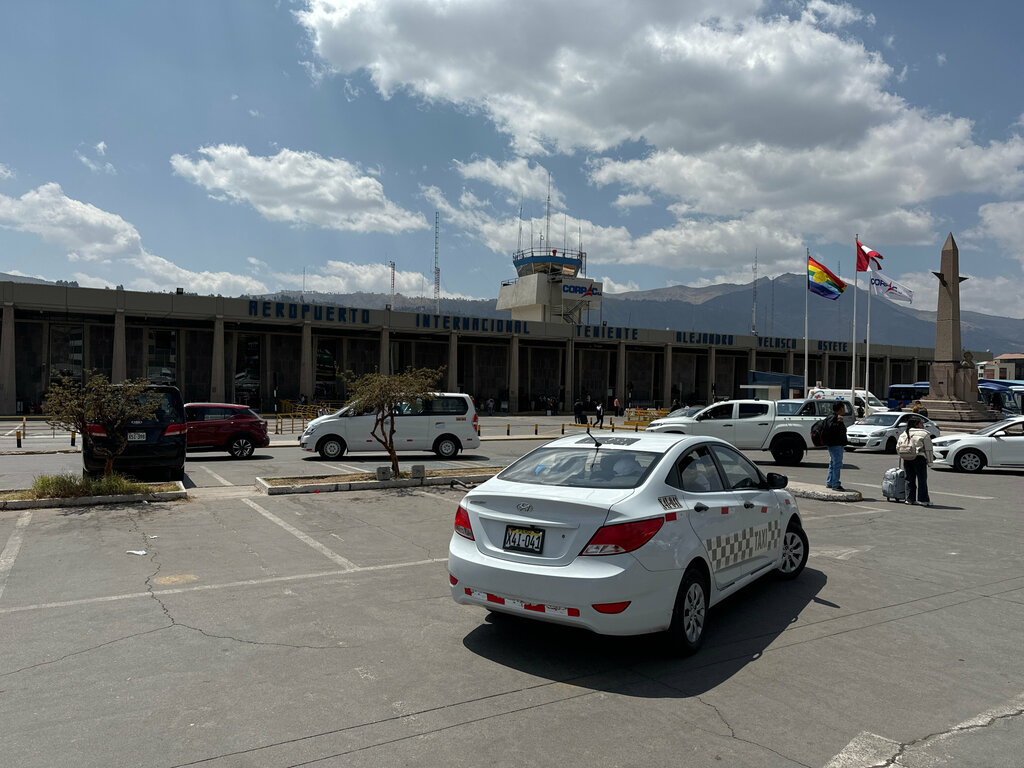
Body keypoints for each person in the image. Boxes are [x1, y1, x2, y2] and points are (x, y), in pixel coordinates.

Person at [899, 416, 935, 506]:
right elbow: (929, 449)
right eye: (921, 423)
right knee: (922, 480)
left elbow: (898, 446)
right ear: (917, 424)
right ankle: (923, 500)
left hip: (907, 458)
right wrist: (930, 462)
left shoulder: (904, 433)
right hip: (919, 458)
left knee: (909, 479)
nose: (923, 425)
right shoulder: (923, 433)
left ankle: (909, 499)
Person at [822, 401, 848, 491]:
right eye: (843, 408)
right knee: (837, 464)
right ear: (841, 409)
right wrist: (840, 422)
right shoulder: (836, 418)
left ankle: (830, 482)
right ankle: (836, 484)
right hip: (836, 445)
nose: (844, 410)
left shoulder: (829, 417)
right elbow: (835, 430)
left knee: (832, 464)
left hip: (832, 444)